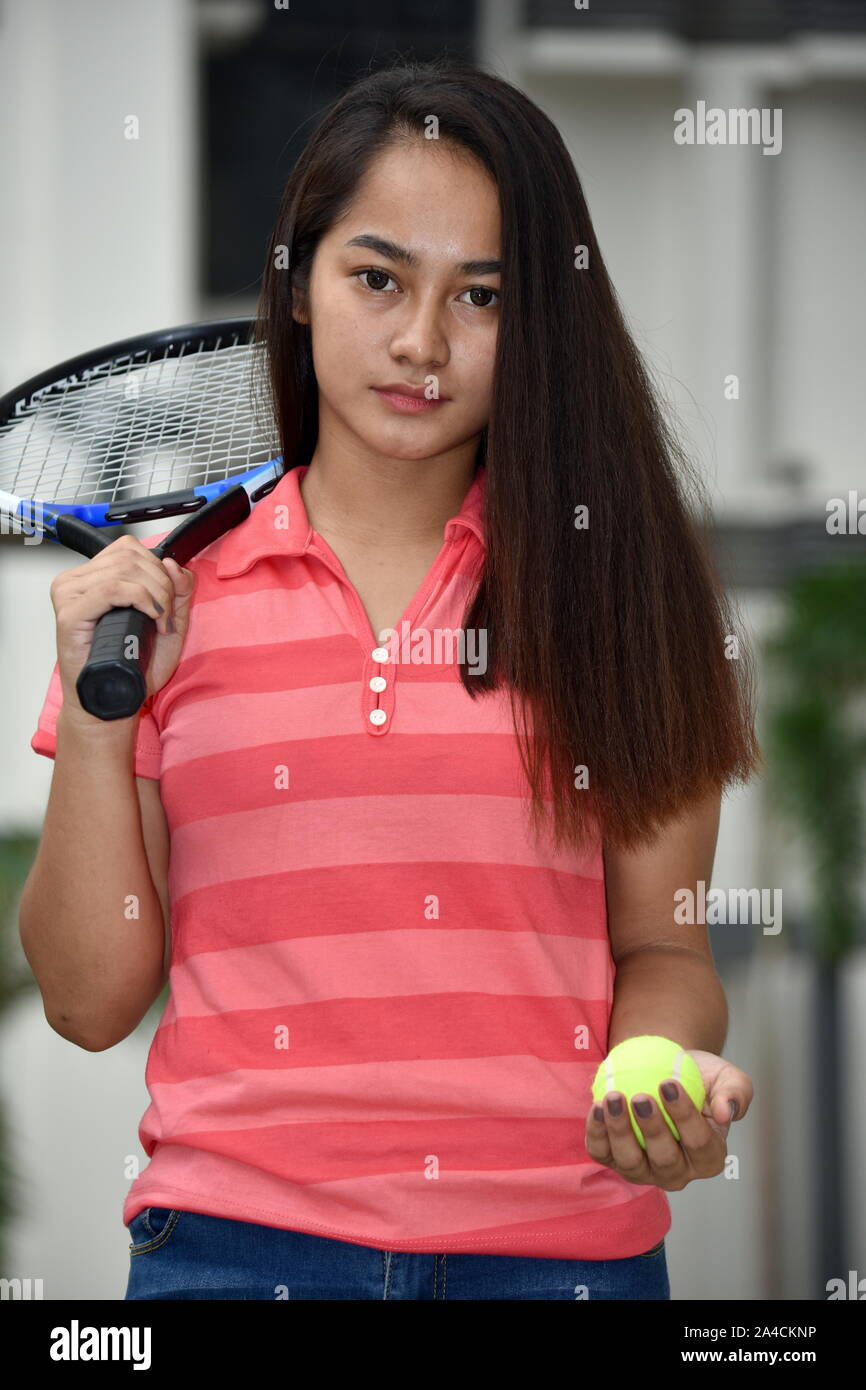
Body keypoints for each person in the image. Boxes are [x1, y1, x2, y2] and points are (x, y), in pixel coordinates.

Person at [20, 56, 758, 1301]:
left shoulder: (621, 586)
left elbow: (663, 952)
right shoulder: (158, 603)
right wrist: (103, 729)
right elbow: (92, 1003)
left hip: (559, 1260)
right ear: (298, 285)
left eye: (482, 297)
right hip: (232, 1254)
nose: (421, 343)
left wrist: (658, 1071)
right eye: (377, 278)